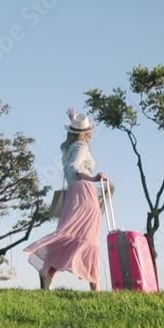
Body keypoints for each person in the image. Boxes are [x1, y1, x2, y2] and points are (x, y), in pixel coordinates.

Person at [25, 108, 107, 291]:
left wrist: (73, 121)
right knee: (89, 238)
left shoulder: (69, 148)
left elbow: (69, 158)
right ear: (86, 133)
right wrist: (94, 178)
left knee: (69, 236)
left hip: (73, 195)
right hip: (85, 194)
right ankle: (95, 288)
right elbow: (75, 168)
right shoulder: (81, 147)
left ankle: (48, 272)